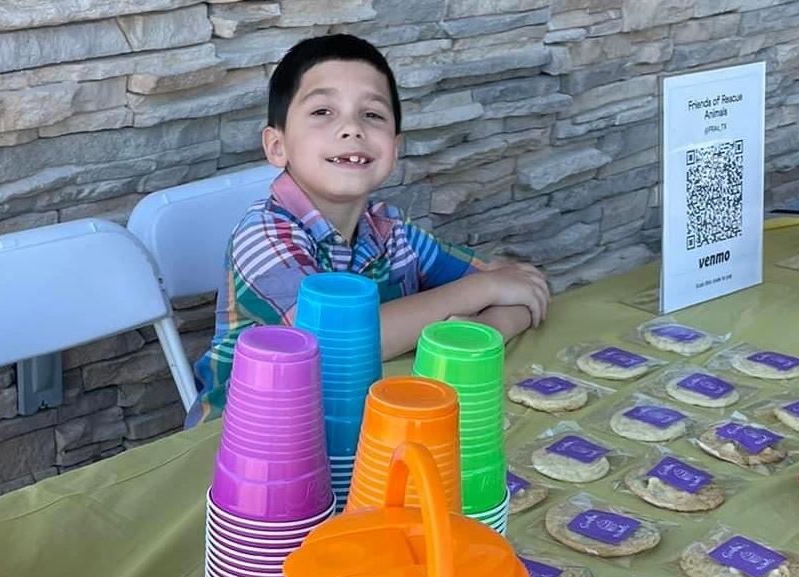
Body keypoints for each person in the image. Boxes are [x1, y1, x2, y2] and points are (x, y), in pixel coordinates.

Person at [193, 33, 550, 417]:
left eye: (373, 114)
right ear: (277, 146)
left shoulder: (392, 232)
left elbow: (519, 285)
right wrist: (479, 294)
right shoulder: (263, 235)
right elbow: (337, 344)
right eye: (322, 112)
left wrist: (484, 326)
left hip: (360, 426)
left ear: (394, 148)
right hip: (244, 441)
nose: (352, 129)